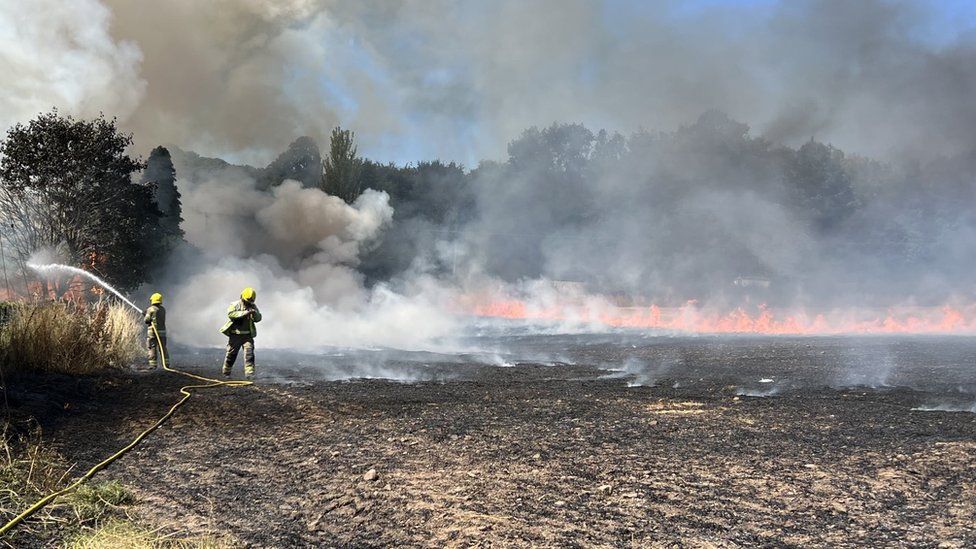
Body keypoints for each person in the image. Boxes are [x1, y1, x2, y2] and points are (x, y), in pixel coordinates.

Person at [220, 287, 262, 380]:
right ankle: (226, 372)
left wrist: (254, 313)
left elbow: (258, 319)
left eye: (250, 301)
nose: (249, 303)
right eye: (247, 301)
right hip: (235, 335)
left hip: (247, 335)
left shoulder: (253, 306)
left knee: (249, 354)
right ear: (242, 297)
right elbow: (230, 314)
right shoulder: (235, 304)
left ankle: (250, 374)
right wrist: (245, 313)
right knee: (232, 354)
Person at [144, 292, 168, 369]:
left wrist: (145, 314)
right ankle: (166, 363)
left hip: (153, 332)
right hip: (162, 332)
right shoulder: (163, 309)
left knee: (152, 347)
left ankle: (153, 365)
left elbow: (147, 320)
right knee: (163, 348)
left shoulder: (150, 309)